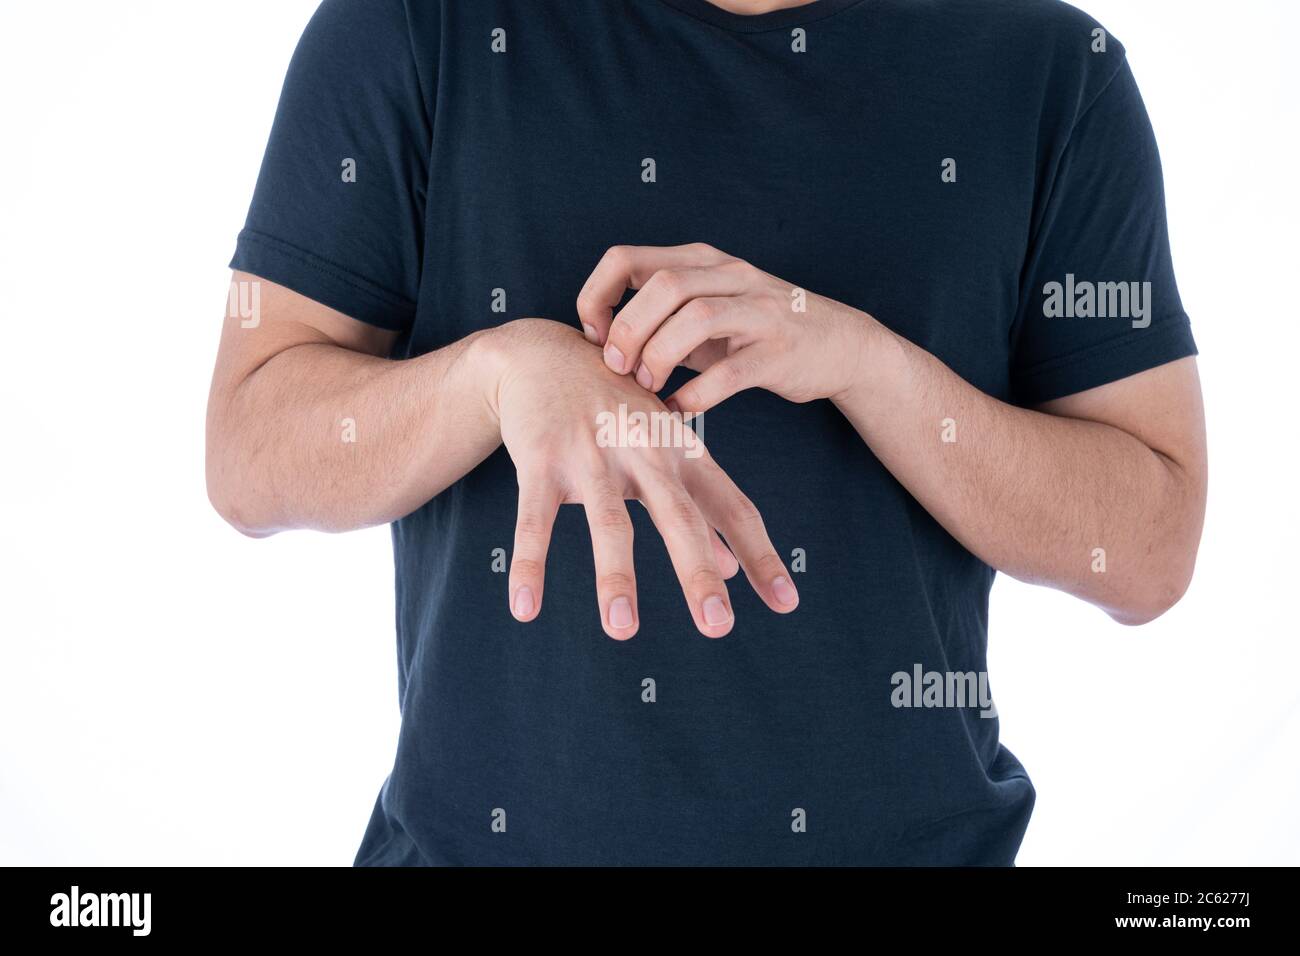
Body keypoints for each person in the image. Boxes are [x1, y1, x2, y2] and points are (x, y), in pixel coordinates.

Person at [206, 0, 1207, 865]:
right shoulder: (417, 29)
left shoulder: (1048, 73)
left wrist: (867, 363)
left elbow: (1149, 547)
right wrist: (493, 374)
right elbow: (248, 453)